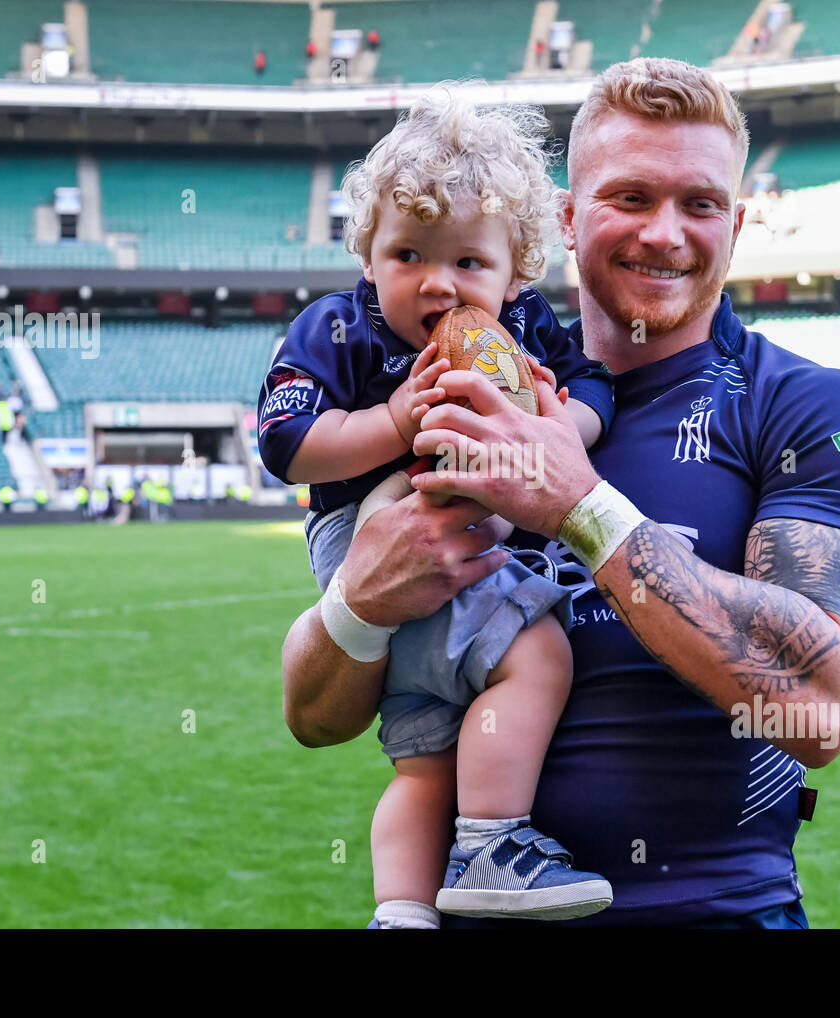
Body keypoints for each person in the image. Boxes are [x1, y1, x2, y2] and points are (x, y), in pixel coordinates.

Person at [280, 58, 840, 928]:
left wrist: (581, 508)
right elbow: (315, 718)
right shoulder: (449, 391)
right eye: (631, 197)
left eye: (698, 204)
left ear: (735, 224)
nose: (664, 233)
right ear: (570, 220)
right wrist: (358, 602)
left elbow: (820, 707)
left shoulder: (809, 407)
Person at [258, 88, 616, 929]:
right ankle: (492, 842)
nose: (436, 285)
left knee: (423, 763)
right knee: (539, 655)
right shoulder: (337, 329)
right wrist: (391, 422)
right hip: (372, 538)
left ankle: (403, 912)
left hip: (463, 546)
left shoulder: (523, 325)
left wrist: (557, 424)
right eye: (408, 255)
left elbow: (591, 385)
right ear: (368, 254)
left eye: (467, 263)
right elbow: (285, 441)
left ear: (516, 272)